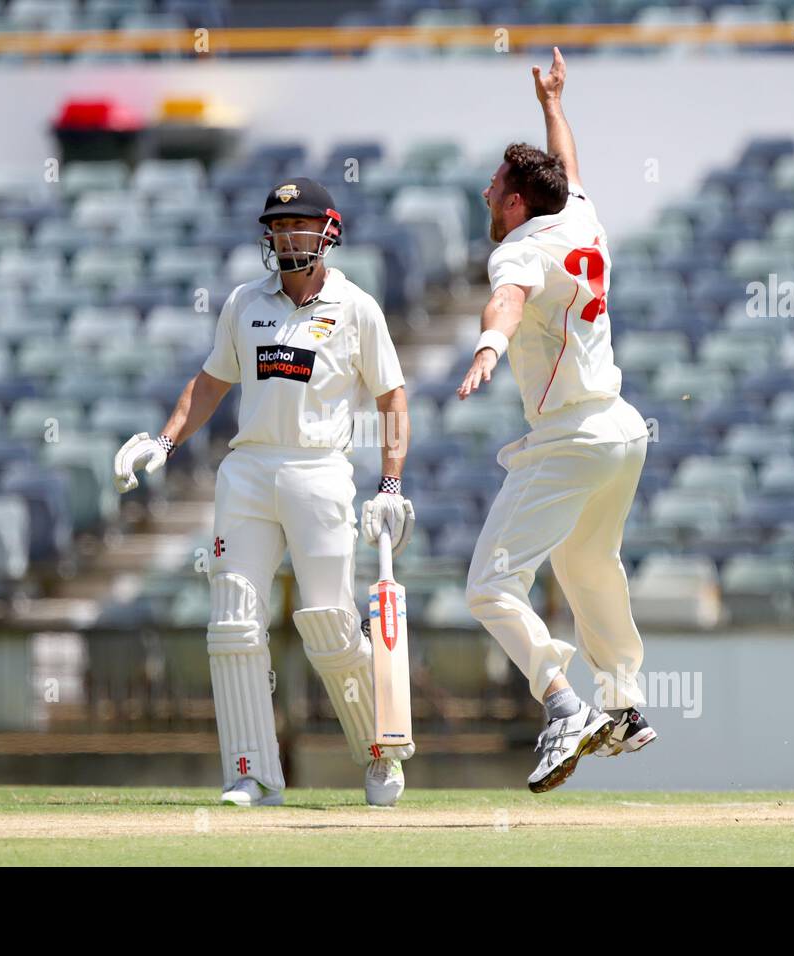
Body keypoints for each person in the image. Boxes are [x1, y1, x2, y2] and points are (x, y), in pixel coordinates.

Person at [114, 179, 416, 806]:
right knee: (232, 622)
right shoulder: (243, 303)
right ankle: (251, 772)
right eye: (277, 227)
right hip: (248, 471)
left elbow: (392, 397)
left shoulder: (357, 307)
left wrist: (390, 483)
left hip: (319, 471)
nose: (285, 237)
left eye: (298, 225)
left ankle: (379, 752)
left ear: (328, 230)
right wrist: (164, 443)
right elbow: (209, 383)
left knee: (331, 625)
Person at [457, 49, 657, 793]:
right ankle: (626, 706)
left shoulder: (517, 251)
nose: (486, 190)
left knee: (488, 585)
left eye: (495, 187)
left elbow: (505, 304)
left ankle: (563, 703)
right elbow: (567, 166)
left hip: (571, 435)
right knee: (586, 566)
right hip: (621, 430)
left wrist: (487, 345)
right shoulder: (577, 213)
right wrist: (553, 104)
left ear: (514, 206)